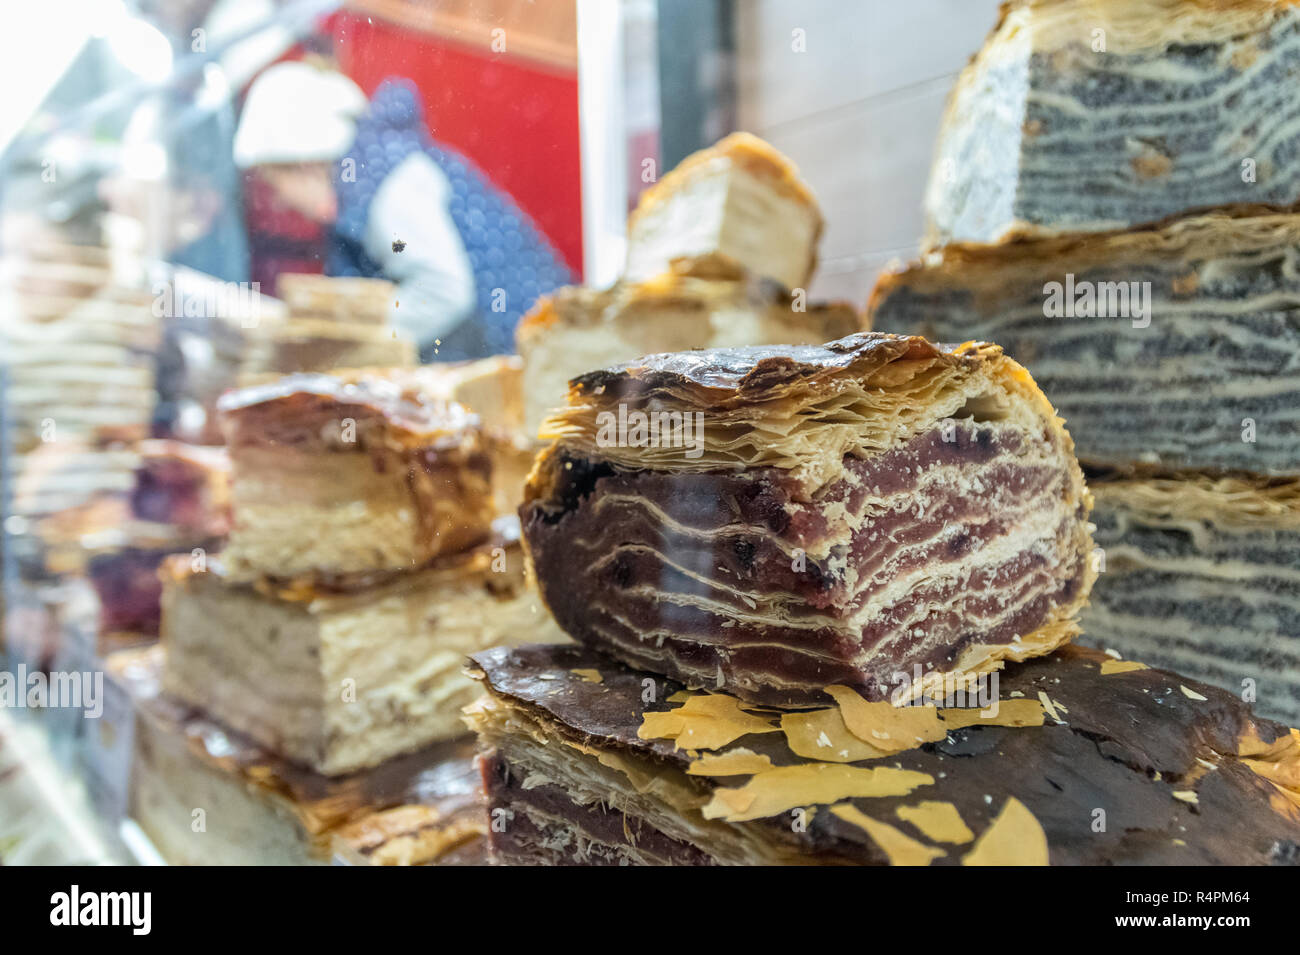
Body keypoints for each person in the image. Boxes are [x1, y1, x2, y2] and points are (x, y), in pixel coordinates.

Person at [234, 61, 571, 360]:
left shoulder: (387, 189)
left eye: (276, 185)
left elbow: (443, 291)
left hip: (538, 352)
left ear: (305, 165)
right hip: (527, 349)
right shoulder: (369, 176)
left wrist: (356, 351)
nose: (280, 201)